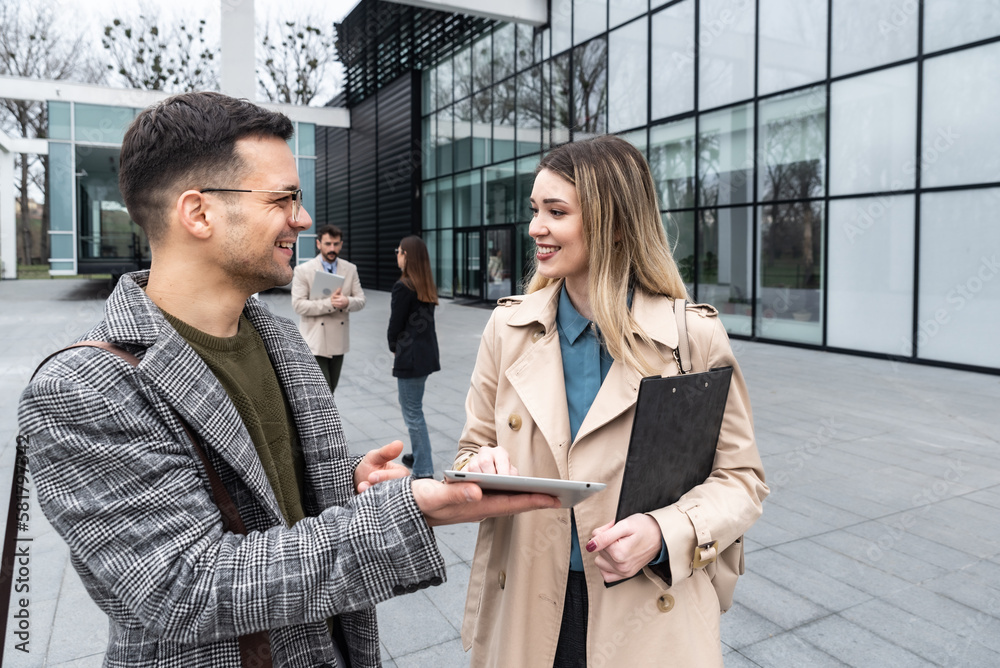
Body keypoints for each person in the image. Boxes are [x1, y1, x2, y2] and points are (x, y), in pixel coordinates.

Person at [17, 91, 559, 668]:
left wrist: (341, 486)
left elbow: (264, 499)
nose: (302, 218)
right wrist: (407, 512)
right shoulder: (83, 387)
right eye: (284, 199)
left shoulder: (276, 339)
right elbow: (183, 587)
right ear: (198, 213)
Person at [453, 135, 768, 667]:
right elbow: (470, 451)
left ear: (614, 223)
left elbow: (741, 480)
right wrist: (481, 466)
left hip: (647, 609)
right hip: (529, 607)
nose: (535, 228)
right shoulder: (508, 328)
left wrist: (664, 532)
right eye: (535, 210)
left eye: (556, 211)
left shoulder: (692, 337)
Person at [387, 236, 441, 480]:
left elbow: (395, 325)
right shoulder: (425, 285)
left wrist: (393, 347)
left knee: (412, 413)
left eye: (399, 251)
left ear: (406, 256)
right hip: (425, 357)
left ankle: (423, 468)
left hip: (410, 358)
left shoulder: (404, 286)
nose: (396, 255)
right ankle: (418, 455)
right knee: (414, 409)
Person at [291, 224, 365, 394]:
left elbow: (361, 300)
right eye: (328, 244)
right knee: (323, 392)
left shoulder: (350, 269)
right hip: (315, 341)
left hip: (338, 340)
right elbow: (298, 305)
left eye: (336, 244)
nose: (332, 248)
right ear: (319, 244)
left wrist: (347, 302)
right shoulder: (303, 270)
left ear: (341, 244)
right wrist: (330, 304)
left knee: (331, 390)